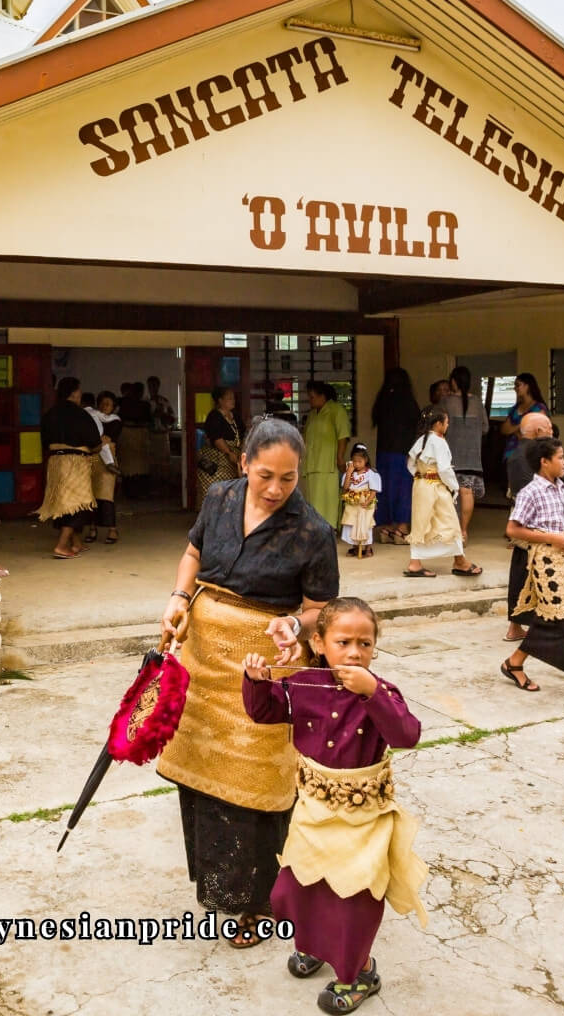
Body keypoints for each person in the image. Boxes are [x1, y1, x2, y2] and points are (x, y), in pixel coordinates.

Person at [156, 417, 339, 948]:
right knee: (201, 775)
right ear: (243, 465)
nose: (277, 489)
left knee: (254, 788)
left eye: (288, 478)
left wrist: (294, 625)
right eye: (265, 476)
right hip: (202, 657)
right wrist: (176, 598)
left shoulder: (313, 531)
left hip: (261, 667)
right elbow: (194, 552)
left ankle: (258, 904)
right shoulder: (218, 499)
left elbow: (319, 610)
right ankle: (218, 889)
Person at [244, 597, 428, 1013]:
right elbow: (264, 711)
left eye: (365, 643)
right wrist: (255, 679)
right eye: (343, 641)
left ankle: (360, 973)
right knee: (298, 888)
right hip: (312, 812)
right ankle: (312, 945)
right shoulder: (305, 684)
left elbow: (406, 735)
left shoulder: (381, 691)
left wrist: (374, 694)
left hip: (364, 821)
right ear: (321, 643)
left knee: (353, 902)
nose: (355, 651)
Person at [502, 438, 564, 721]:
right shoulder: (530, 492)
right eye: (560, 457)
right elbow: (513, 529)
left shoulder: (561, 488)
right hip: (544, 563)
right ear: (544, 462)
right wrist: (550, 538)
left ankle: (514, 663)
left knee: (550, 618)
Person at [503, 410, 564, 642]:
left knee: (520, 573)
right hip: (537, 526)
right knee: (533, 575)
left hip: (530, 522)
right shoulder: (535, 456)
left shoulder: (517, 455)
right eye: (550, 428)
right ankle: (542, 626)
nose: (553, 431)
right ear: (540, 432)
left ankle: (516, 627)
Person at [38, 378, 101, 559]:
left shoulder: (49, 414)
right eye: (79, 391)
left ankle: (76, 543)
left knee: (63, 503)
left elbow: (44, 443)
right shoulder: (81, 414)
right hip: (75, 462)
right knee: (80, 503)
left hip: (55, 462)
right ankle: (62, 545)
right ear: (74, 392)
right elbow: (95, 444)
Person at [403, 407, 468, 578]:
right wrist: (454, 486)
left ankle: (415, 562)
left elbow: (410, 464)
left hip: (420, 485)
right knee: (451, 521)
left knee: (420, 523)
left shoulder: (421, 440)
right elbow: (445, 469)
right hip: (436, 486)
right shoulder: (439, 442)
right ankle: (460, 561)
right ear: (438, 424)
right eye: (446, 423)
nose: (447, 426)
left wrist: (421, 476)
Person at [370, 369, 421, 545]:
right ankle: (401, 529)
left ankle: (386, 528)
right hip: (403, 454)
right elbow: (417, 426)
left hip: (383, 453)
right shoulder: (408, 402)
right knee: (404, 490)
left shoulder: (382, 401)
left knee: (384, 489)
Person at [441, 367, 488, 547]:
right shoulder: (477, 402)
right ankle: (463, 531)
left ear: (453, 381)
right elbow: (485, 428)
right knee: (467, 493)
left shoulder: (446, 402)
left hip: (450, 457)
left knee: (449, 495)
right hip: (472, 457)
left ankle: (451, 532)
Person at [302, 381, 351, 529]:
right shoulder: (311, 415)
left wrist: (340, 457)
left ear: (322, 396)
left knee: (327, 500)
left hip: (328, 464)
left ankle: (328, 529)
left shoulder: (336, 410)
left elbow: (343, 436)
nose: (310, 400)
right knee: (312, 500)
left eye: (312, 397)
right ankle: (314, 529)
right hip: (311, 464)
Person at [85, 390, 122, 545]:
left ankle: (112, 529)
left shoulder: (115, 421)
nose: (105, 406)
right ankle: (92, 529)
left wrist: (99, 440)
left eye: (108, 404)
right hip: (92, 460)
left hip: (108, 461)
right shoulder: (91, 417)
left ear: (113, 407)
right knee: (91, 496)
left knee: (106, 497)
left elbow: (107, 439)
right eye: (102, 403)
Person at [198, 387, 244, 500]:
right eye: (229, 398)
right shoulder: (214, 416)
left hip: (234, 455)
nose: (233, 401)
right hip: (218, 459)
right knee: (218, 493)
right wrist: (229, 453)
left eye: (233, 398)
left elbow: (242, 433)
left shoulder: (235, 416)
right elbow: (217, 438)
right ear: (220, 401)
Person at [339, 445, 380, 558]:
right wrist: (348, 473)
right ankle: (355, 547)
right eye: (354, 461)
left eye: (359, 461)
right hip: (352, 503)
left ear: (365, 460)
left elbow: (373, 490)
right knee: (352, 523)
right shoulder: (350, 473)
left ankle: (367, 548)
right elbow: (346, 487)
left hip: (364, 503)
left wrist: (368, 501)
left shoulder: (371, 473)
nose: (357, 464)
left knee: (365, 524)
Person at [499, 372, 549, 464]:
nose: (515, 388)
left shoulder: (539, 408)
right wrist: (522, 425)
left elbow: (538, 433)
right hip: (511, 455)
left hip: (529, 456)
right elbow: (504, 429)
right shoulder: (515, 408)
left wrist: (514, 428)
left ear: (527, 386)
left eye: (518, 385)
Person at [118, 382, 154, 499]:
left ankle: (134, 492)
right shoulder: (125, 403)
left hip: (134, 435)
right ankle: (134, 492)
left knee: (136, 466)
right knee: (131, 466)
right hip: (132, 435)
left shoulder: (126, 403)